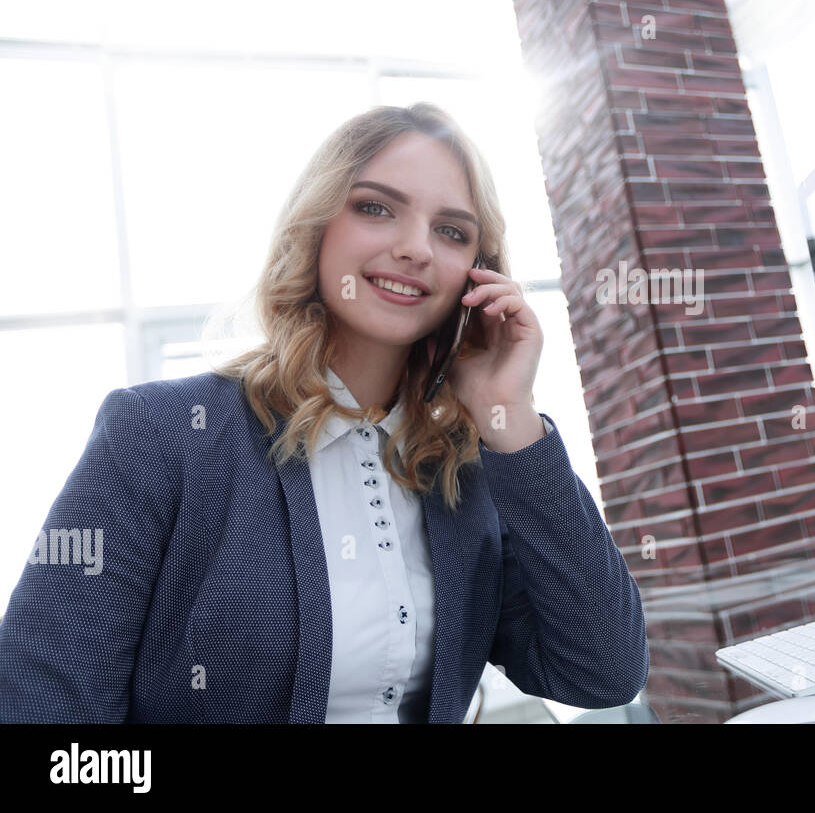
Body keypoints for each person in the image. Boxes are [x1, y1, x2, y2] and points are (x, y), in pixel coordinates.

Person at [0, 103, 649, 722]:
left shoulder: (467, 471)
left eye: (452, 231)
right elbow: (43, 709)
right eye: (375, 208)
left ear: (475, 276)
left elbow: (603, 672)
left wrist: (508, 413)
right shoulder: (160, 435)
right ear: (316, 229)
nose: (416, 248)